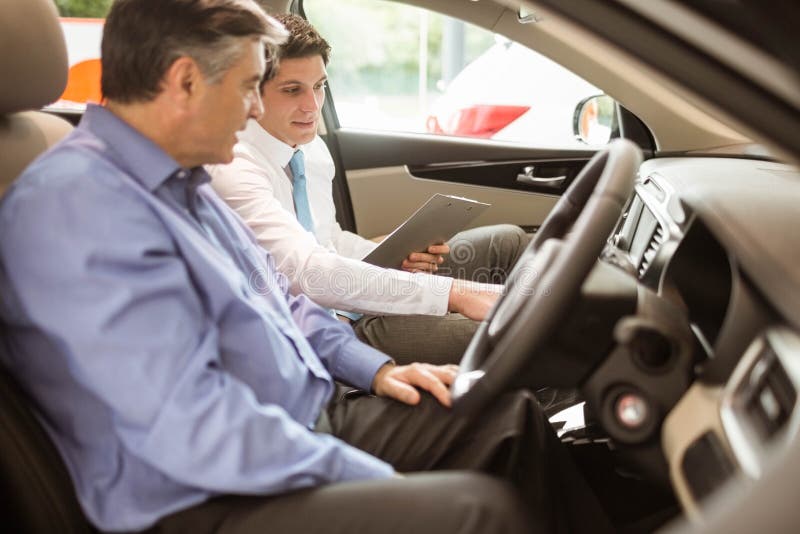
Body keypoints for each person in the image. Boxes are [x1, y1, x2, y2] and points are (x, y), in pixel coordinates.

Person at [0, 1, 610, 533]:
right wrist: (367, 478)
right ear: (185, 81)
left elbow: (278, 295)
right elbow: (190, 431)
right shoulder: (76, 207)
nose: (250, 114)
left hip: (294, 421)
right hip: (207, 493)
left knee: (507, 416)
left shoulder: (176, 178)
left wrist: (375, 369)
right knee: (480, 510)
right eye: (246, 88)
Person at [209, 13, 530, 366]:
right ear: (251, 90)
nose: (313, 106)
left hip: (355, 296)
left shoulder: (309, 147)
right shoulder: (234, 167)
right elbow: (309, 273)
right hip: (325, 330)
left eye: (319, 86)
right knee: (514, 332)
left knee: (508, 241)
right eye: (292, 90)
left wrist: (395, 255)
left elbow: (327, 238)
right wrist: (453, 294)